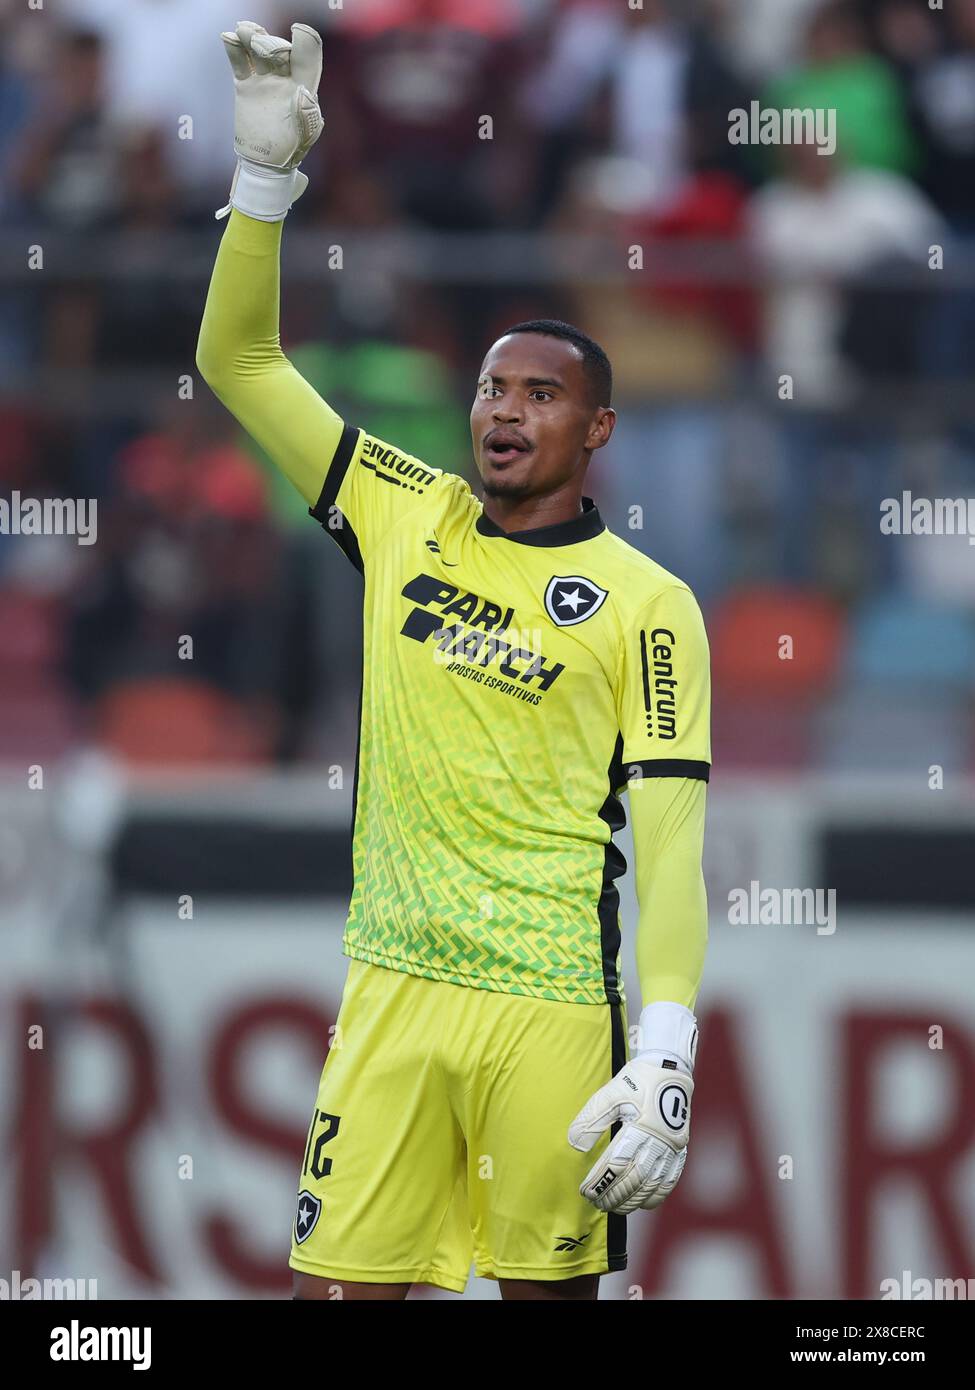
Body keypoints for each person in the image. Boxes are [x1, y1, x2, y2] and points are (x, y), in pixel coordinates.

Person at [196, 19, 711, 1302]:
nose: (502, 409)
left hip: (549, 1008)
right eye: (491, 388)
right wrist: (265, 186)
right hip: (389, 991)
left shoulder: (651, 605)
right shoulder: (396, 505)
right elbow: (237, 361)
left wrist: (666, 1042)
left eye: (539, 394)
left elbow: (672, 837)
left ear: (596, 429)